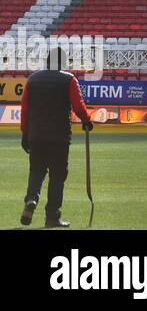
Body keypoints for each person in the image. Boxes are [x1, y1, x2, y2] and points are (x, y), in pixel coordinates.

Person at [19, 48, 93, 228]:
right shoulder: (68, 79)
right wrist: (86, 120)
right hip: (59, 137)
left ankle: (31, 199)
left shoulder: (33, 79)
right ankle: (52, 217)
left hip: (36, 135)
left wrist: (24, 133)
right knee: (57, 176)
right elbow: (78, 105)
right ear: (63, 63)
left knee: (36, 171)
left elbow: (25, 110)